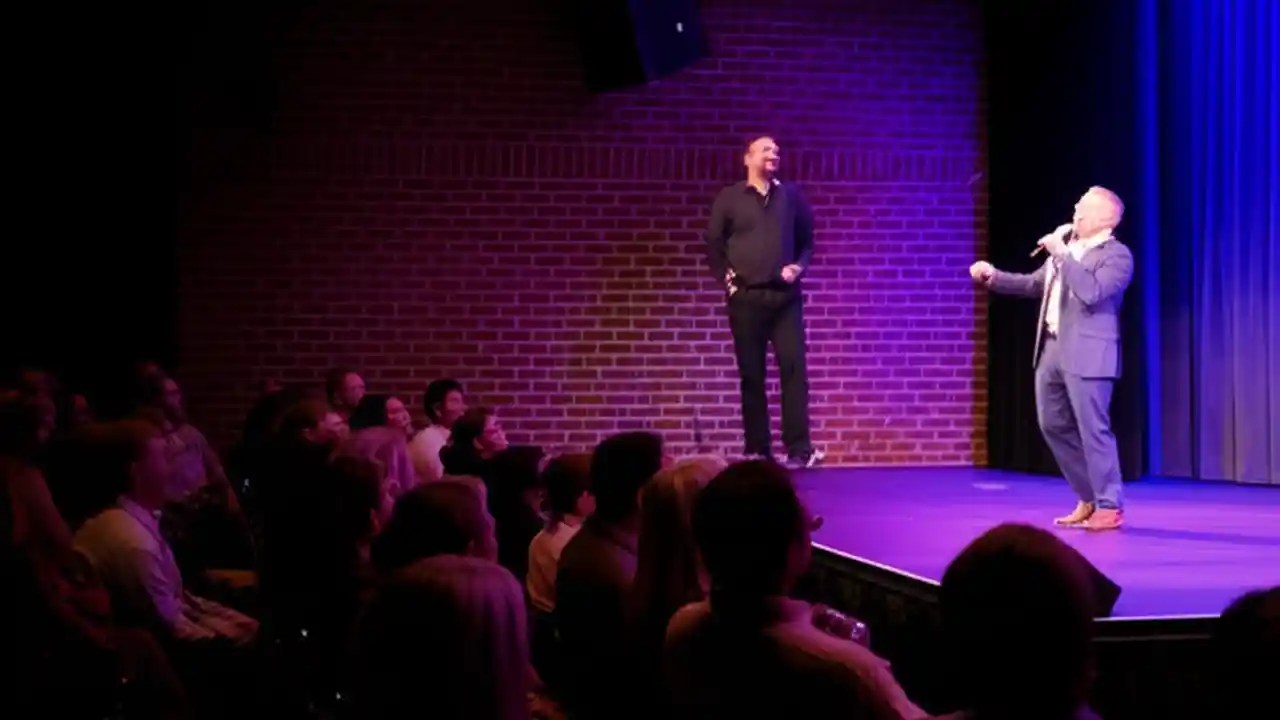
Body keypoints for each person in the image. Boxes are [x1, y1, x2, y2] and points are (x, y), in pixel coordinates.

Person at [969, 186, 1134, 530]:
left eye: (1083, 207)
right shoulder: (1069, 251)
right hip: (1052, 348)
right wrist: (993, 277)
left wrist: (1062, 255)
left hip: (1090, 354)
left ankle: (1109, 505)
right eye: (1076, 205)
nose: (1075, 209)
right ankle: (1088, 496)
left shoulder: (1117, 256)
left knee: (1094, 430)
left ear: (1104, 218)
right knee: (1052, 424)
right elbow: (1034, 285)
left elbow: (1091, 293)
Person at [704, 136, 822, 469]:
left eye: (777, 151)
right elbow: (713, 242)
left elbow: (807, 243)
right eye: (766, 150)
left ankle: (800, 449)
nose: (774, 154)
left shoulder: (792, 196)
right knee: (752, 374)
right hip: (747, 298)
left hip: (785, 298)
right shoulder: (730, 198)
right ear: (748, 158)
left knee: (794, 368)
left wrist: (798, 267)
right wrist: (724, 279)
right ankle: (758, 450)